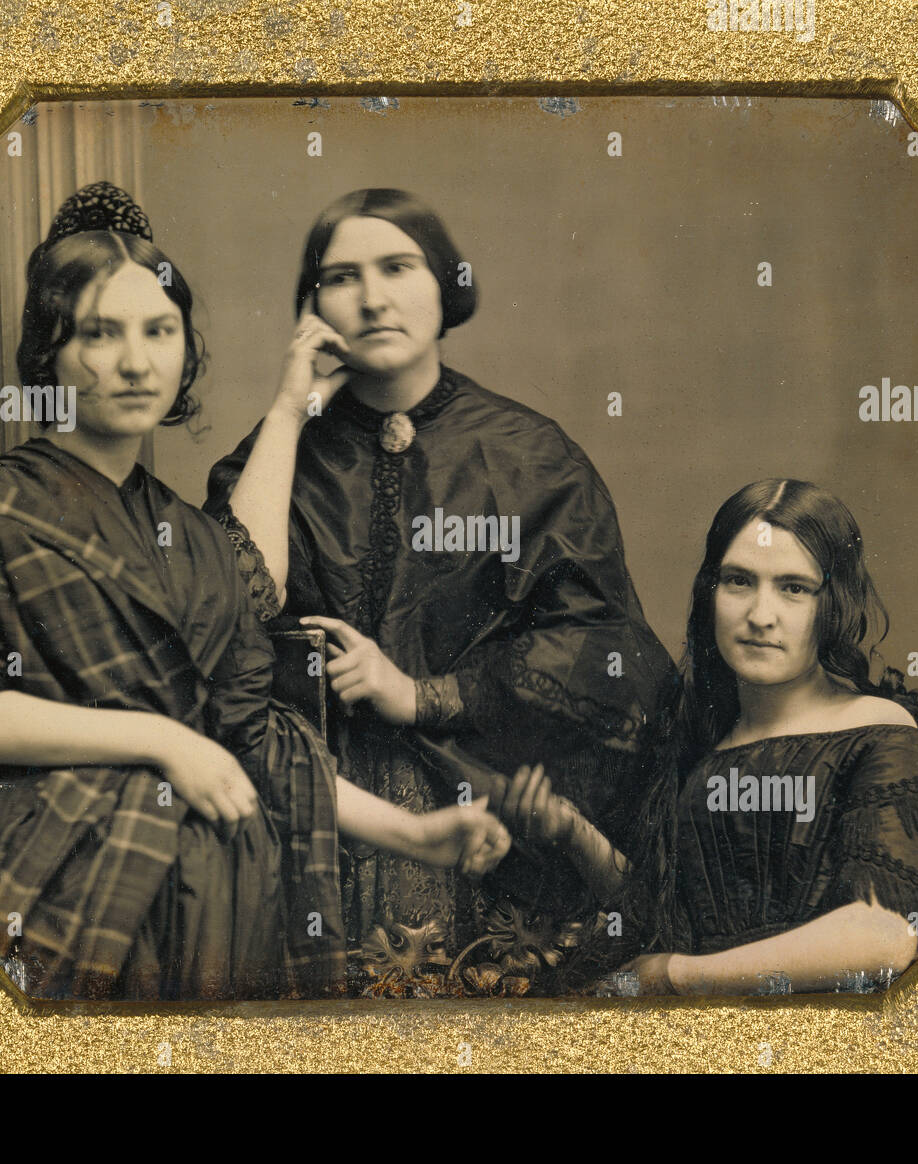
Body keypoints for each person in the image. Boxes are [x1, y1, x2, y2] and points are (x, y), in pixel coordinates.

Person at [0, 182, 509, 1002]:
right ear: (50, 352)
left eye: (159, 330)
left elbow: (258, 730)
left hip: (209, 902)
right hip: (49, 876)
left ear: (186, 349)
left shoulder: (180, 534)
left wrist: (421, 835)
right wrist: (163, 740)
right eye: (100, 333)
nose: (135, 361)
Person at [204, 188, 674, 993]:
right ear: (312, 308)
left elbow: (607, 648)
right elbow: (222, 612)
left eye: (398, 266)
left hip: (491, 806)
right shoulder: (277, 453)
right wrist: (286, 412)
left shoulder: (530, 455)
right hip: (317, 801)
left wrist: (424, 695)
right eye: (341, 277)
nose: (374, 297)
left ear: (445, 285)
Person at [496, 479, 918, 995]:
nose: (761, 616)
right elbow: (668, 916)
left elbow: (886, 937)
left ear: (833, 604)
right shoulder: (704, 739)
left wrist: (677, 977)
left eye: (794, 588)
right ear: (710, 592)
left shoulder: (876, 730)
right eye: (739, 581)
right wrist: (572, 833)